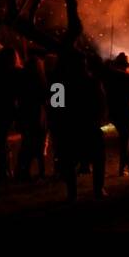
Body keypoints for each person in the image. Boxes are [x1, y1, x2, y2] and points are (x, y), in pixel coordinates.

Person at [50, 50, 108, 202]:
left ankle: (81, 191)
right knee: (92, 159)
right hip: (78, 127)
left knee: (76, 161)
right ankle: (93, 190)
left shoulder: (60, 83)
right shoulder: (90, 82)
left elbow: (55, 108)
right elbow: (55, 107)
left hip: (75, 127)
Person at [103, 52, 129, 176]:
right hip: (126, 110)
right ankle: (122, 169)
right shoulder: (125, 75)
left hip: (115, 110)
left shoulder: (110, 76)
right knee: (125, 140)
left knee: (125, 138)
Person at [0, 46, 23, 180]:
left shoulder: (0, 73)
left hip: (2, 108)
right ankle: (10, 169)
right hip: (11, 108)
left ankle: (5, 169)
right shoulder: (18, 72)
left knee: (2, 140)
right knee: (8, 141)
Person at [16, 54, 48, 181]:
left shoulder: (23, 81)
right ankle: (41, 171)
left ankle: (26, 171)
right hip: (38, 115)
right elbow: (47, 99)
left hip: (27, 115)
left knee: (28, 144)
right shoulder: (42, 80)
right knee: (39, 145)